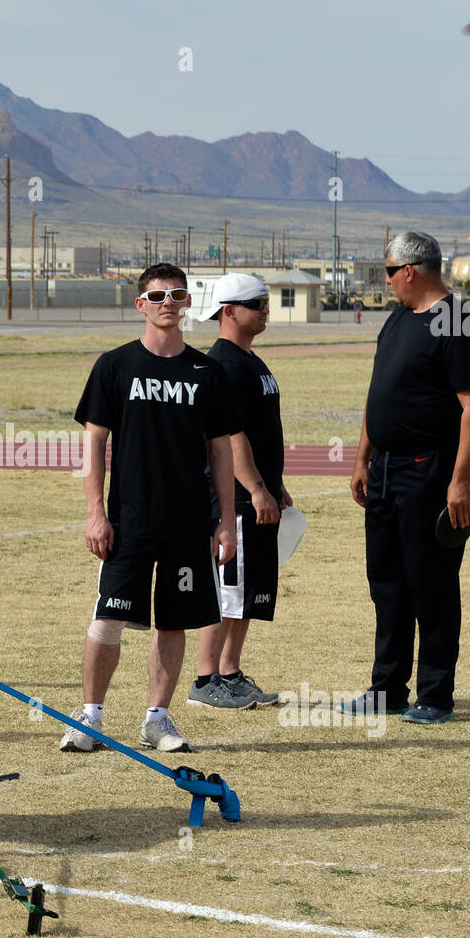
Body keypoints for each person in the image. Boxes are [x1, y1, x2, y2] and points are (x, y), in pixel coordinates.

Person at [61, 262, 236, 754]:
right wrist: (96, 512)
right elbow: (94, 443)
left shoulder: (208, 372)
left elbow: (220, 451)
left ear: (186, 304)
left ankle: (157, 719)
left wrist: (225, 521)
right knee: (108, 618)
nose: (167, 303)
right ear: (140, 304)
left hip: (186, 524)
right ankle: (90, 717)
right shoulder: (115, 366)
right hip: (129, 521)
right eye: (157, 296)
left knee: (174, 621)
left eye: (177, 295)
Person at [344, 231, 470, 724]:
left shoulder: (457, 323)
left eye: (387, 271)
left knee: (431, 583)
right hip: (385, 468)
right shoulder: (399, 318)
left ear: (410, 270)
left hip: (429, 472)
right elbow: (377, 389)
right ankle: (386, 689)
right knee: (386, 583)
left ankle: (434, 695)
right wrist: (363, 457)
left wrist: (460, 482)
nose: (385, 281)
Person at [188, 273, 289, 710]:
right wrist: (256, 488)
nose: (266, 310)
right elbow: (232, 438)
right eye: (257, 303)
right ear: (228, 310)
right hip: (238, 500)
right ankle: (205, 680)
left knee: (247, 592)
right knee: (227, 593)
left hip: (260, 495)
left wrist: (277, 486)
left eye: (266, 302)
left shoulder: (251, 360)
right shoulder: (224, 364)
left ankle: (230, 672)